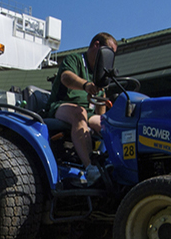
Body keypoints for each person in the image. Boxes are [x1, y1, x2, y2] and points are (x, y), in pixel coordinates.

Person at [48, 32, 118, 185]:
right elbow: (66, 77)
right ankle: (91, 169)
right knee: (79, 113)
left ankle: (113, 165)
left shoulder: (100, 74)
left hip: (88, 112)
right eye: (108, 53)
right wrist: (86, 86)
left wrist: (101, 101)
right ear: (96, 45)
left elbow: (100, 113)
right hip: (61, 106)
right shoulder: (75, 59)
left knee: (107, 123)